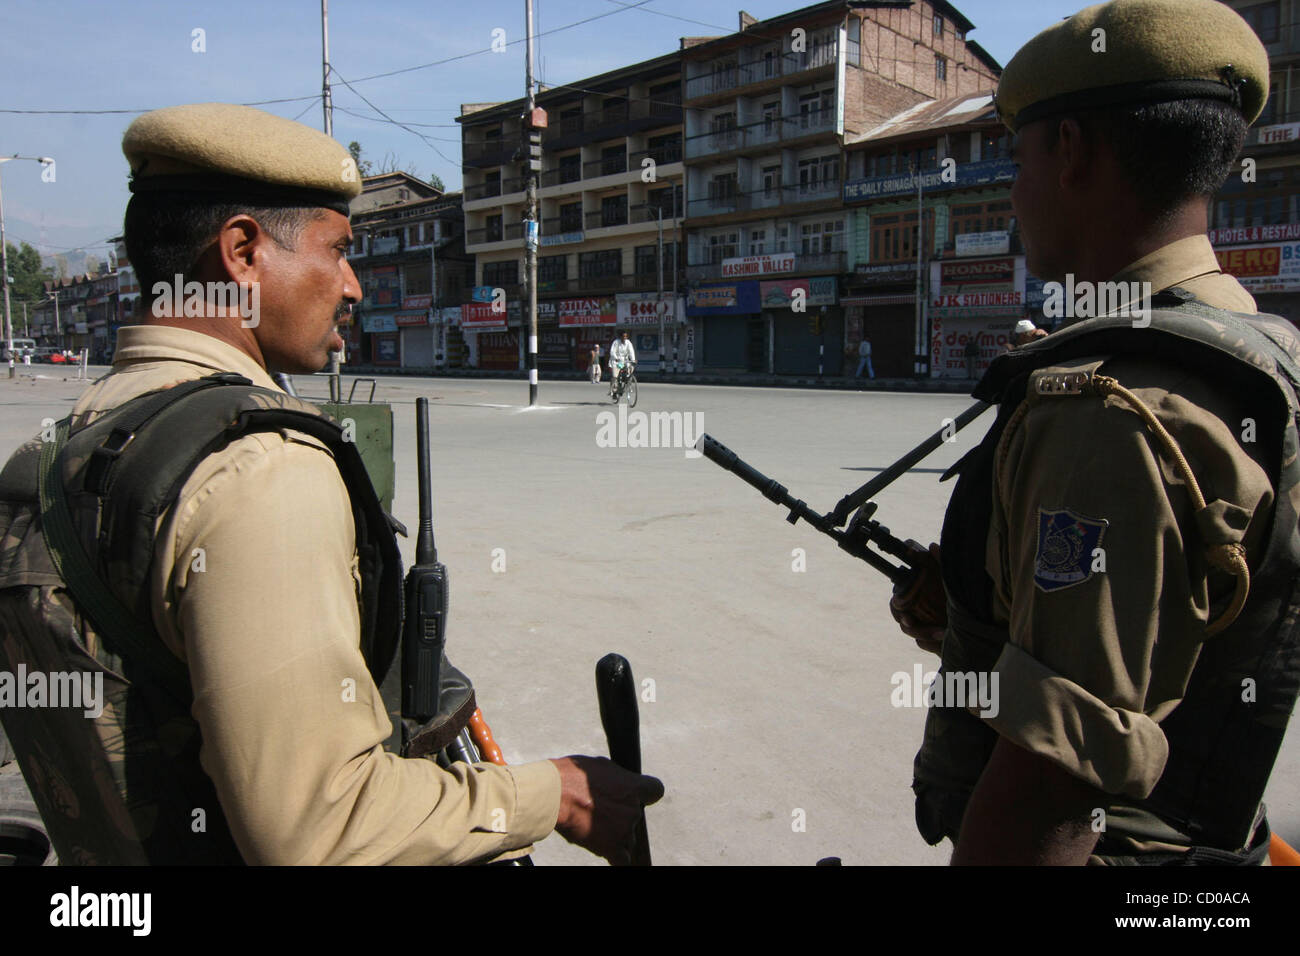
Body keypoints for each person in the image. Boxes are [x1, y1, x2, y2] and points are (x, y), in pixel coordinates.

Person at [0, 103, 661, 865]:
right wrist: (557, 795)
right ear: (243, 254)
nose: (352, 285)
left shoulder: (55, 455)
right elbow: (319, 829)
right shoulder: (258, 469)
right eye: (338, 250)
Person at [890, 0, 1297, 865]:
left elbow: (1051, 783)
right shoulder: (1268, 353)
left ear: (1070, 150)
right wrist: (990, 605)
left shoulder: (1108, 408)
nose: (1014, 191)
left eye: (1019, 157)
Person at [609, 329, 636, 398]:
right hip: (617, 362)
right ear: (620, 337)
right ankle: (614, 391)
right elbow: (612, 352)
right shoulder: (616, 342)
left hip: (625, 361)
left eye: (626, 336)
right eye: (623, 336)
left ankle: (628, 384)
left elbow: (631, 351)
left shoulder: (628, 342)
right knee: (615, 376)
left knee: (630, 370)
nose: (625, 338)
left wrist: (633, 360)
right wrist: (616, 358)